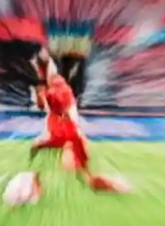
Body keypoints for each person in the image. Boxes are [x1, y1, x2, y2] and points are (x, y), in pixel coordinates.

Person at [28, 50, 121, 192]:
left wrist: (41, 91)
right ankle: (36, 179)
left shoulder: (55, 92)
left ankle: (35, 180)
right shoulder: (59, 89)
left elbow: (51, 103)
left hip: (65, 132)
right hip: (69, 132)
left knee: (38, 149)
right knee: (82, 173)